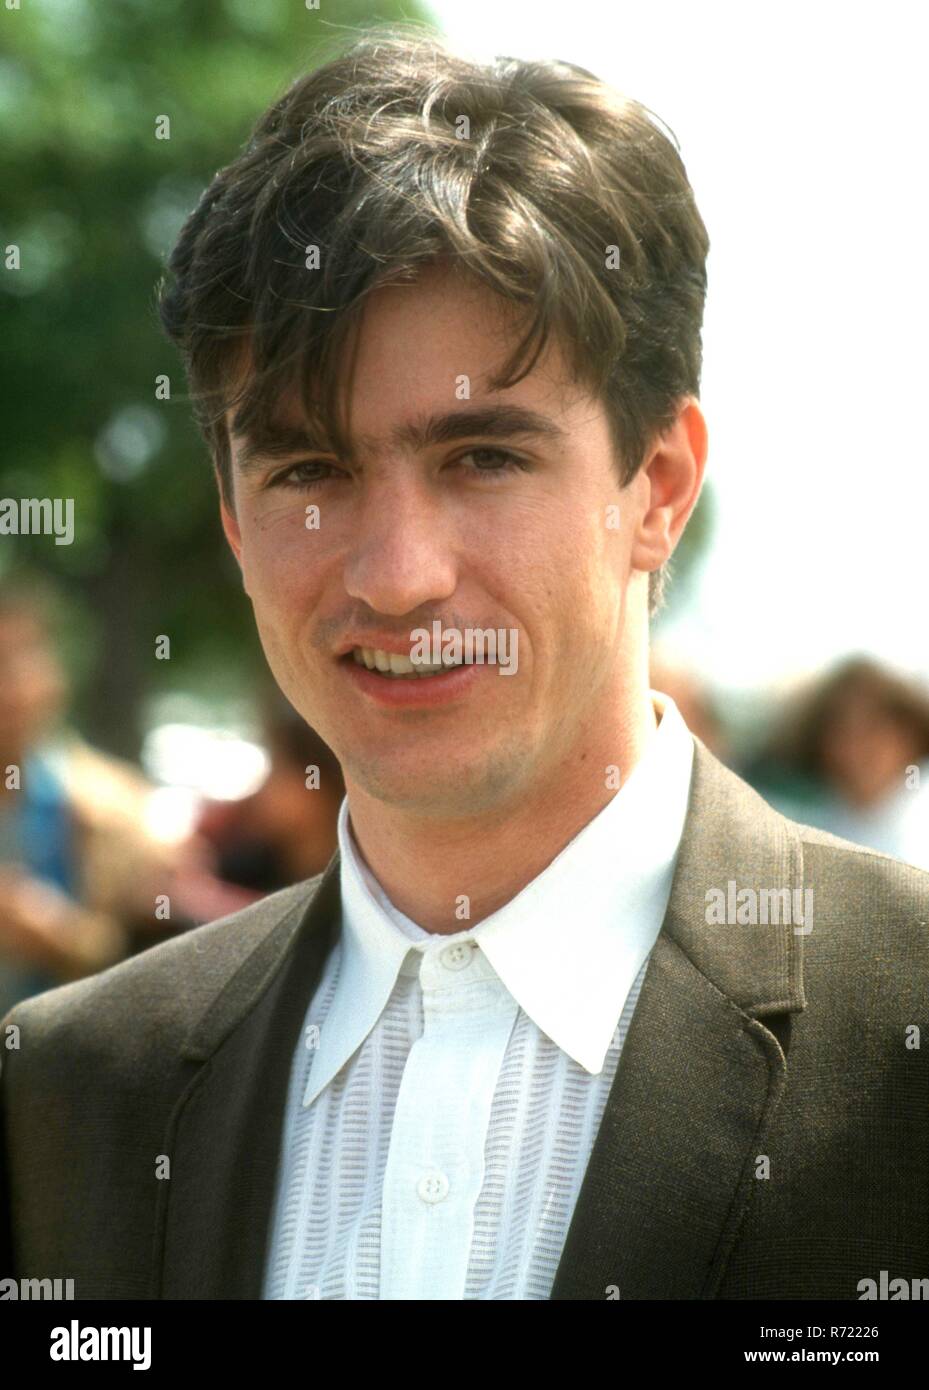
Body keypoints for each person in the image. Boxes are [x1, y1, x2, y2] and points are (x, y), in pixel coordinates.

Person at [2, 24, 928, 1302]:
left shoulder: (902, 1042)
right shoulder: (69, 1090)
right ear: (231, 518)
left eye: (482, 457)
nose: (395, 572)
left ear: (654, 486)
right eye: (308, 470)